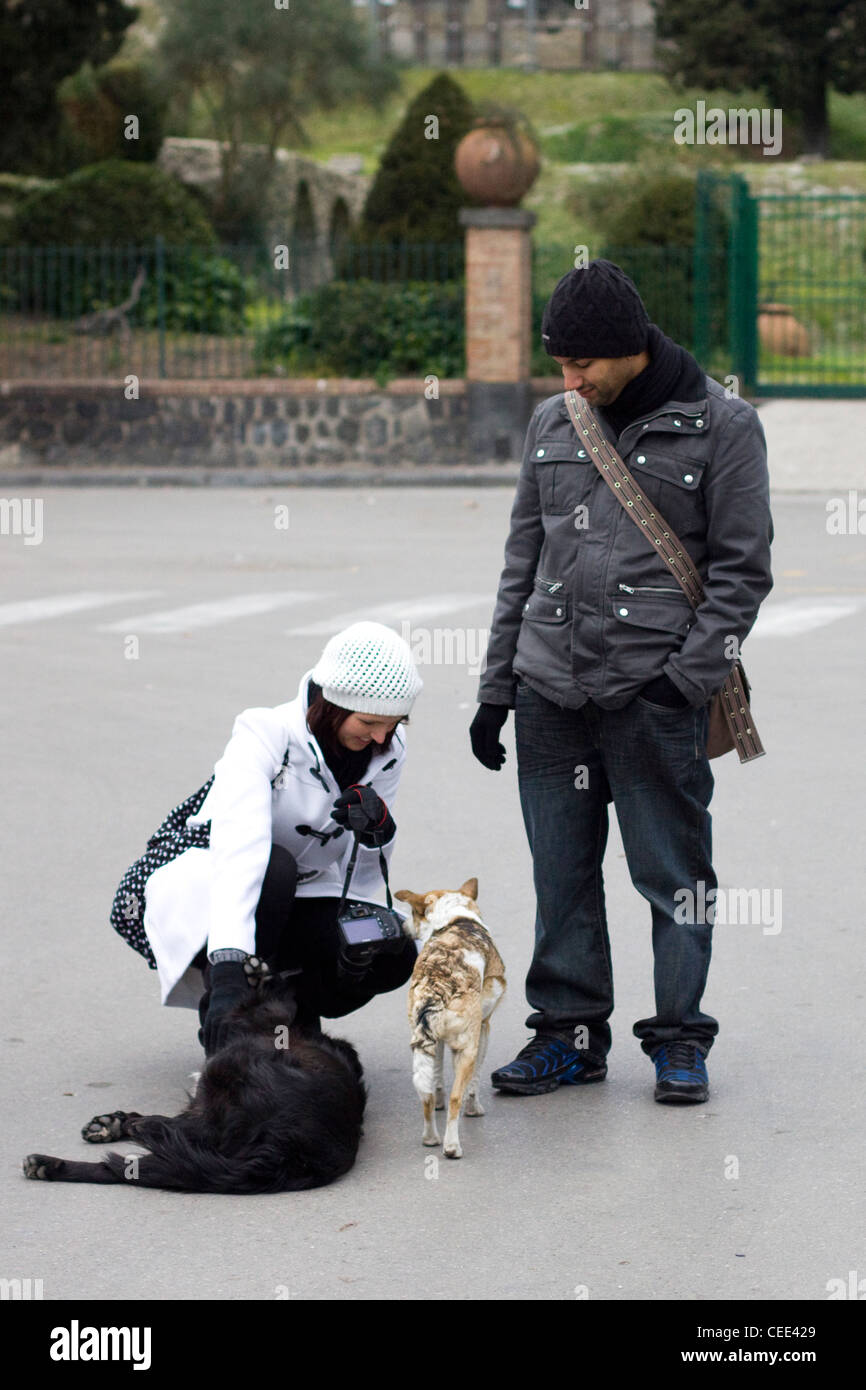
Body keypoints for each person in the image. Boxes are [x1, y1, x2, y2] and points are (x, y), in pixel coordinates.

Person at [470, 259, 773, 1104]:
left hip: (654, 694)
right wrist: (496, 689)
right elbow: (521, 562)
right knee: (559, 874)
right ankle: (567, 1035)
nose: (570, 383)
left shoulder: (722, 426)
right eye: (559, 366)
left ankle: (679, 1040)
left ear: (630, 347)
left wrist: (684, 681)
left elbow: (743, 575)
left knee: (674, 876)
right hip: (549, 693)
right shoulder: (552, 422)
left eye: (582, 367)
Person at [110, 621, 423, 1055]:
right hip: (214, 880)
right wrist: (228, 969)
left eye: (393, 723)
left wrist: (377, 833)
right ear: (331, 705)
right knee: (274, 869)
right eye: (369, 722)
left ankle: (292, 1012)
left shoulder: (388, 747)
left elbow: (365, 879)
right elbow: (241, 853)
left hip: (302, 890)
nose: (381, 737)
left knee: (392, 952)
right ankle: (238, 1019)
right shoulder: (264, 733)